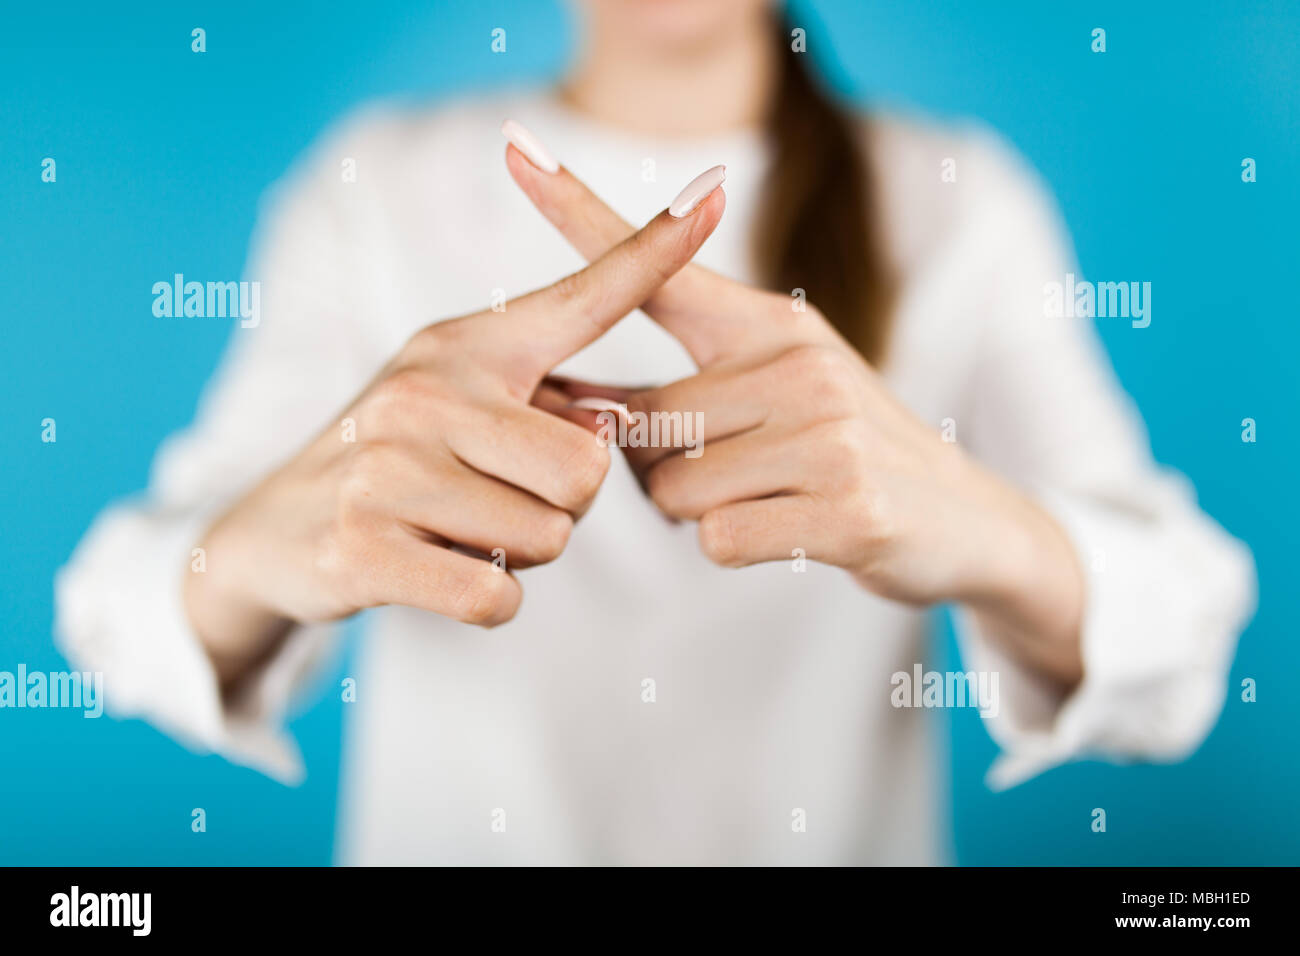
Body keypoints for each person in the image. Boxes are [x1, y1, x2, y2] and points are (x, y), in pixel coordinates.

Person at [55, 0, 1255, 864]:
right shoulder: (372, 186)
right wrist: (270, 543)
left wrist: (976, 518)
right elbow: (120, 614)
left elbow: (1184, 632)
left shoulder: (960, 199)